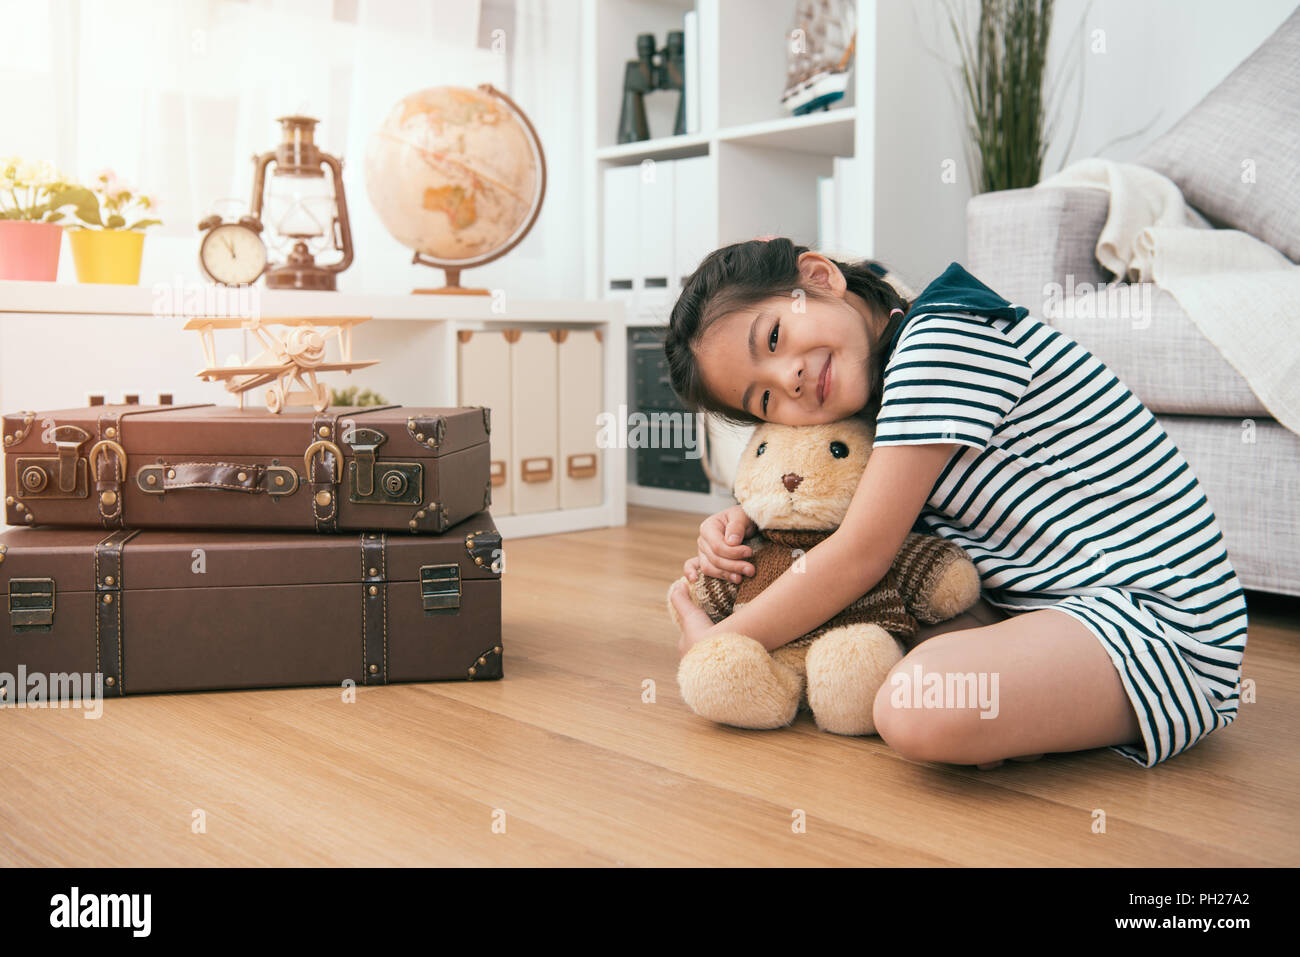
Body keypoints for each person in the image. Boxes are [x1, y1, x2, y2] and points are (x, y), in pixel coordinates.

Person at [663, 237, 1248, 769]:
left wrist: (720, 641)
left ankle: (1029, 719)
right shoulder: (881, 382)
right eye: (763, 398)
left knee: (914, 705)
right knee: (899, 629)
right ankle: (1019, 713)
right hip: (1049, 609)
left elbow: (861, 552)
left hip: (1162, 624)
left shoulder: (941, 340)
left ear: (819, 278)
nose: (787, 378)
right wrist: (751, 517)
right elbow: (841, 488)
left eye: (772, 337)